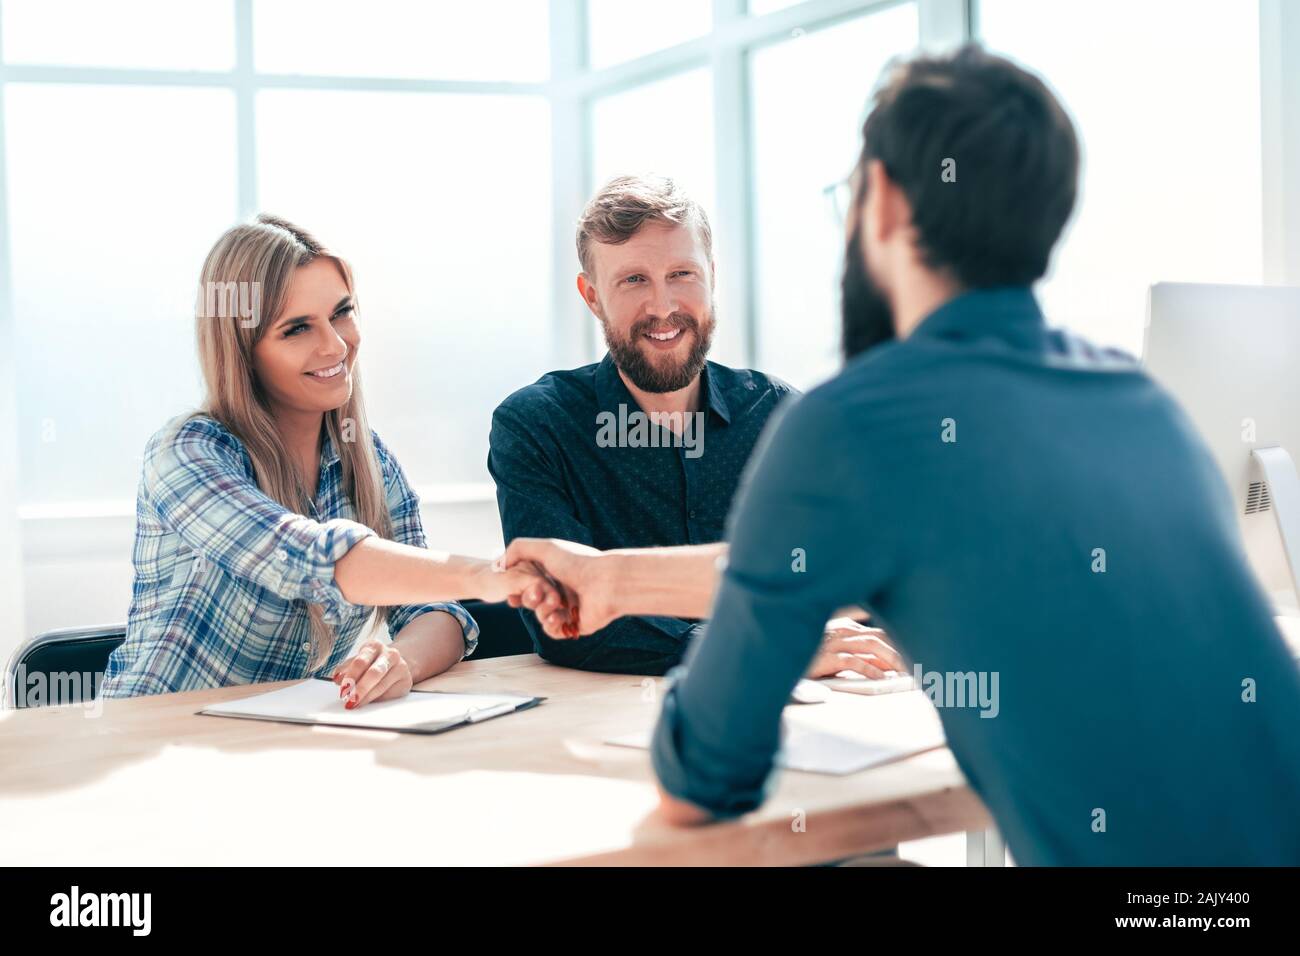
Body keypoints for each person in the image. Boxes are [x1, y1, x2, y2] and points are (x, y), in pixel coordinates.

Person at [505, 46, 1300, 865]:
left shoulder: (856, 423)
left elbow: (703, 772)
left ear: (878, 202)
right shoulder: (1144, 405)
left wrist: (718, 634)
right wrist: (625, 583)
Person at [102, 215, 547, 705]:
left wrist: (400, 661)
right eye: (296, 329)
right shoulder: (188, 453)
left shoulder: (367, 457)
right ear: (244, 351)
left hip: (274, 740)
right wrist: (483, 574)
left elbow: (433, 612)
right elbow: (310, 557)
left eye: (341, 312)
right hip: (151, 735)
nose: (335, 344)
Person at [489, 175, 901, 679]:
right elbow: (565, 620)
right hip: (611, 721)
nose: (663, 308)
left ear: (712, 275)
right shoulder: (537, 425)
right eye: (633, 280)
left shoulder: (780, 416)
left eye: (681, 273)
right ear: (592, 296)